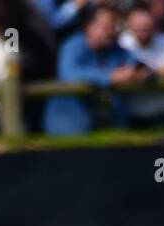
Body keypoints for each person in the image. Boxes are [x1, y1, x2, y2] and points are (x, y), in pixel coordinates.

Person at [43, 4, 146, 135]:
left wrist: (139, 73)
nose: (110, 31)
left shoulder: (116, 49)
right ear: (89, 27)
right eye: (105, 26)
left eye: (113, 26)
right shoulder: (72, 45)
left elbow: (137, 64)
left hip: (110, 129)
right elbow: (69, 73)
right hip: (69, 129)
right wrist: (110, 77)